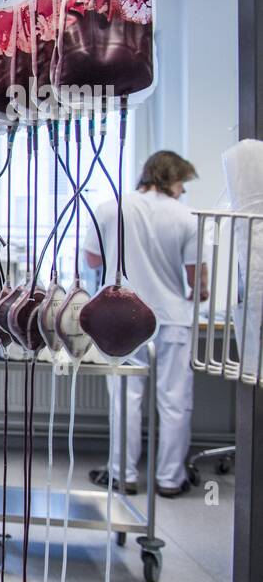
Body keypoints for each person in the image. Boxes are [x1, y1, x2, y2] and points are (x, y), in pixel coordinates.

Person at [85, 149, 206, 498]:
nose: (184, 191)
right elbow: (198, 281)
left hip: (121, 319)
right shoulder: (186, 216)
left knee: (125, 395)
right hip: (171, 319)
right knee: (174, 400)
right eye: (183, 182)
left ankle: (123, 474)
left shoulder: (111, 208)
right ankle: (170, 479)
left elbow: (92, 259)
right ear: (171, 178)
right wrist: (201, 291)